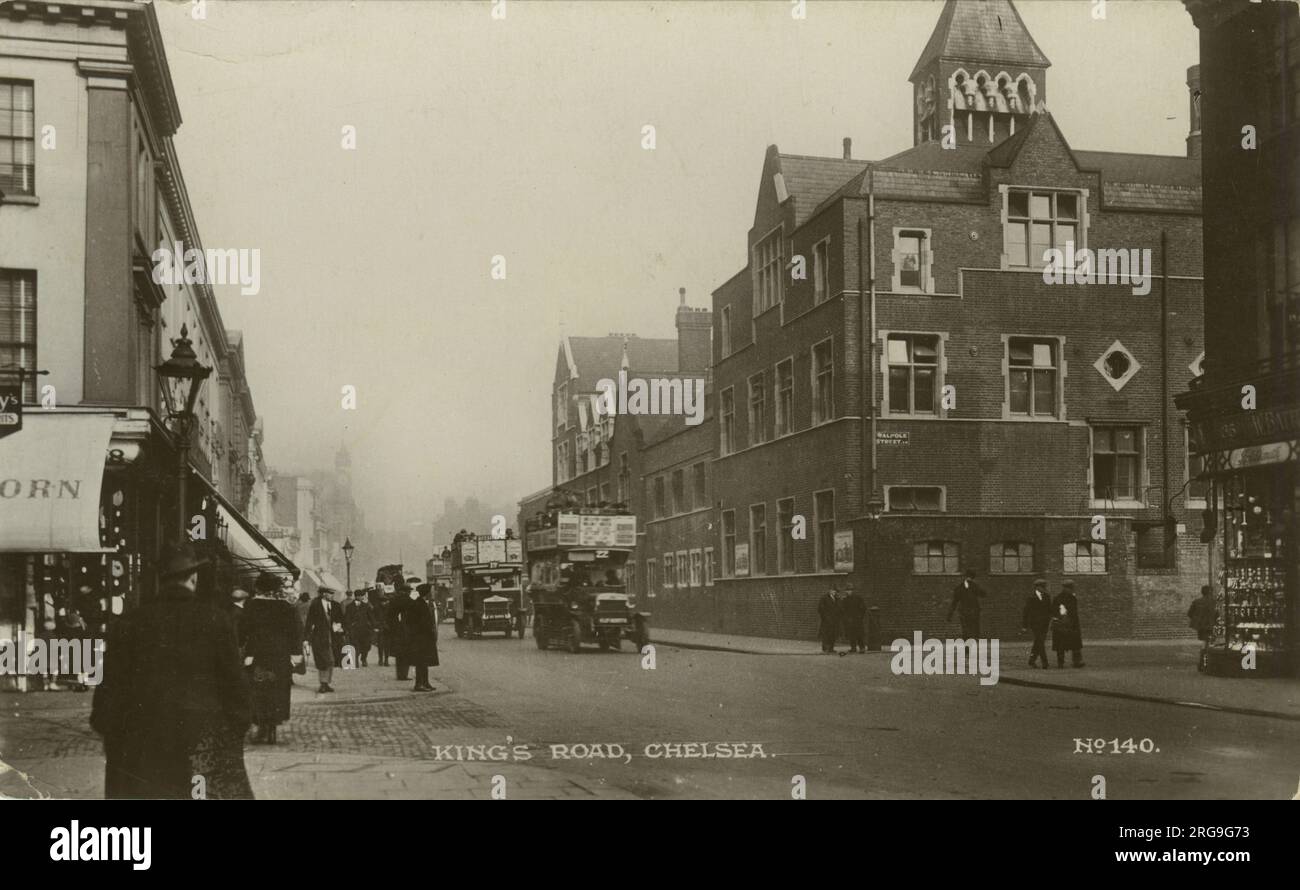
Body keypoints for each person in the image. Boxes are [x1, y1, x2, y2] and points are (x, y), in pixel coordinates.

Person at [90, 543, 253, 799]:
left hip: (141, 745)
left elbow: (109, 690)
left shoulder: (129, 623)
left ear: (160, 579)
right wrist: (235, 728)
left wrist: (111, 731)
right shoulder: (216, 620)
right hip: (202, 743)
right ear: (193, 577)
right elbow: (235, 685)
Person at [242, 572, 302, 744]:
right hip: (280, 656)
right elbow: (295, 633)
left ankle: (262, 726)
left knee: (259, 690)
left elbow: (243, 629)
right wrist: (295, 654)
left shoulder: (252, 606)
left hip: (258, 654)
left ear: (259, 587)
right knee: (277, 690)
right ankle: (273, 728)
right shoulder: (286, 607)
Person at [304, 587, 345, 693]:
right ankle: (323, 683)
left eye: (333, 594)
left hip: (334, 637)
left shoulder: (336, 605)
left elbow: (341, 619)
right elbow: (309, 621)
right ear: (323, 594)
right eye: (330, 593)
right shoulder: (315, 605)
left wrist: (340, 627)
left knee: (332, 661)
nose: (332, 595)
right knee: (325, 661)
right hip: (320, 637)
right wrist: (306, 638)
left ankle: (326, 683)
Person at [402, 583, 440, 692]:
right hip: (420, 638)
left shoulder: (422, 603)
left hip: (424, 638)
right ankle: (419, 684)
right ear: (427, 593)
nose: (433, 593)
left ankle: (425, 682)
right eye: (431, 591)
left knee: (425, 661)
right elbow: (414, 622)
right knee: (421, 662)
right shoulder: (418, 604)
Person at [1021, 577, 1053, 669]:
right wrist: (1024, 626)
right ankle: (1045, 662)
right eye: (1042, 586)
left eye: (1044, 586)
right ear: (1037, 587)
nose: (1043, 588)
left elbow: (1049, 609)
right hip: (1035, 623)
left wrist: (1050, 617)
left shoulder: (1047, 597)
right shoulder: (1031, 598)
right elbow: (1026, 612)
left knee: (1038, 642)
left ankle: (1031, 660)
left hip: (1044, 624)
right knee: (1040, 642)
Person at [1052, 579, 1085, 668]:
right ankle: (1062, 662)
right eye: (1070, 588)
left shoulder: (1069, 597)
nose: (1072, 590)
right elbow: (1055, 611)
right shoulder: (1061, 598)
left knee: (1074, 644)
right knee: (1063, 644)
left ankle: (1075, 662)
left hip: (1070, 624)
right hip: (1064, 624)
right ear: (1066, 588)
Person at [947, 569, 987, 638]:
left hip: (964, 612)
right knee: (974, 630)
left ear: (965, 576)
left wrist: (950, 614)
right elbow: (983, 594)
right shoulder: (975, 586)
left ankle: (967, 646)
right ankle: (971, 644)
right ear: (973, 577)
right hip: (974, 612)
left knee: (965, 630)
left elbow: (955, 602)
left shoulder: (959, 587)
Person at [346, 589, 375, 667]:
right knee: (356, 645)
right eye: (362, 596)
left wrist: (373, 626)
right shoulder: (349, 607)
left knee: (366, 645)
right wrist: (349, 627)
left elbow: (371, 617)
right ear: (357, 596)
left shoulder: (366, 606)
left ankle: (364, 658)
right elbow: (347, 618)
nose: (363, 597)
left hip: (365, 629)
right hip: (355, 630)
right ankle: (355, 661)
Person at [387, 584, 410, 681]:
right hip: (406, 630)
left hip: (396, 630)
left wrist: (394, 627)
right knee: (406, 653)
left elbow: (389, 616)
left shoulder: (393, 600)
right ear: (405, 592)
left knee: (399, 654)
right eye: (408, 591)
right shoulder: (407, 601)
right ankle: (404, 675)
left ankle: (400, 674)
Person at [1188, 585, 1216, 654]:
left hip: (1201, 626)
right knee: (1209, 641)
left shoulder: (1196, 602)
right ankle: (1207, 656)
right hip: (1210, 625)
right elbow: (1217, 614)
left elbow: (1189, 613)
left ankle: (1203, 657)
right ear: (1210, 592)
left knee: (1203, 641)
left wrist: (1197, 619)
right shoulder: (1213, 602)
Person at [840, 583, 866, 653]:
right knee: (851, 634)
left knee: (859, 634)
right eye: (847, 590)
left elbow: (863, 608)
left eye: (850, 590)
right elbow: (843, 609)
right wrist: (846, 618)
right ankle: (853, 648)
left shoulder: (858, 598)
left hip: (857, 620)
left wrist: (860, 616)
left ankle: (862, 648)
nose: (848, 592)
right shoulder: (845, 600)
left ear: (852, 591)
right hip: (849, 620)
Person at [817, 585, 841, 654]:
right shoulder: (824, 598)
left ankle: (831, 648)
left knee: (833, 634)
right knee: (826, 634)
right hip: (826, 621)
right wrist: (825, 617)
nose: (834, 592)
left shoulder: (837, 599)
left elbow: (839, 608)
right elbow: (820, 609)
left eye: (835, 591)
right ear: (830, 590)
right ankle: (825, 648)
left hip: (834, 620)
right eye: (833, 591)